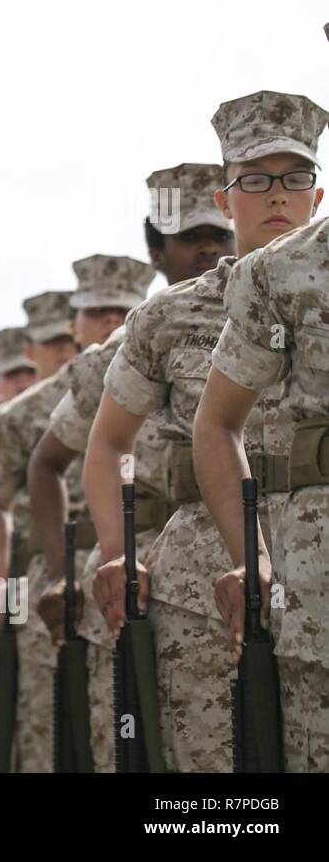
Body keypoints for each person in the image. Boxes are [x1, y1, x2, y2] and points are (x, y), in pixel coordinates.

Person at [31, 163, 234, 772]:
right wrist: (61, 570)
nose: (207, 249)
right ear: (156, 250)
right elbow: (49, 462)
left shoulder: (282, 313)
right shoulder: (129, 348)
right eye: (188, 237)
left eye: (217, 235)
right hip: (152, 570)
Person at [189, 92, 326, 771]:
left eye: (294, 177)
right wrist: (255, 557)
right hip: (312, 587)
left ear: (317, 189)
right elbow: (215, 426)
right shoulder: (283, 274)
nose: (278, 195)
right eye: (256, 178)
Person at [0, 256, 155, 771]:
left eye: (120, 308)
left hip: (153, 561)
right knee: (58, 729)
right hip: (67, 573)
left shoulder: (173, 360)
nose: (107, 320)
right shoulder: (31, 412)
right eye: (96, 309)